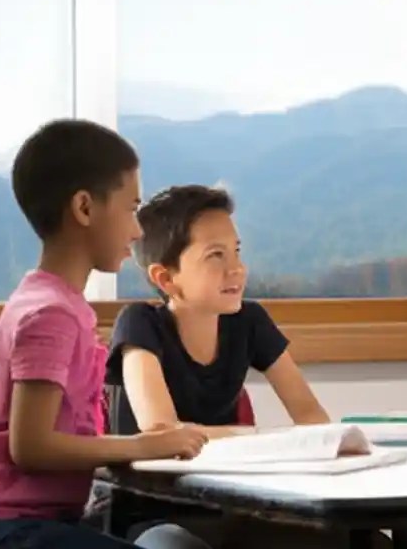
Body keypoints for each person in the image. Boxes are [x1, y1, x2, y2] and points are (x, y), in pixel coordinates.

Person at [0, 119, 211, 549]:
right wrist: (142, 445)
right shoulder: (51, 313)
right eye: (130, 208)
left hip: (26, 526)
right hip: (0, 532)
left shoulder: (50, 300)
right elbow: (32, 445)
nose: (137, 230)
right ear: (84, 208)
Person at [102, 184, 336, 547]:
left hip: (229, 508)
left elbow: (311, 417)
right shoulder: (138, 324)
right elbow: (162, 432)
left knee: (362, 542)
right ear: (165, 278)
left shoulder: (250, 321)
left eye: (236, 252)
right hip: (150, 515)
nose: (237, 269)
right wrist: (259, 437)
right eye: (216, 256)